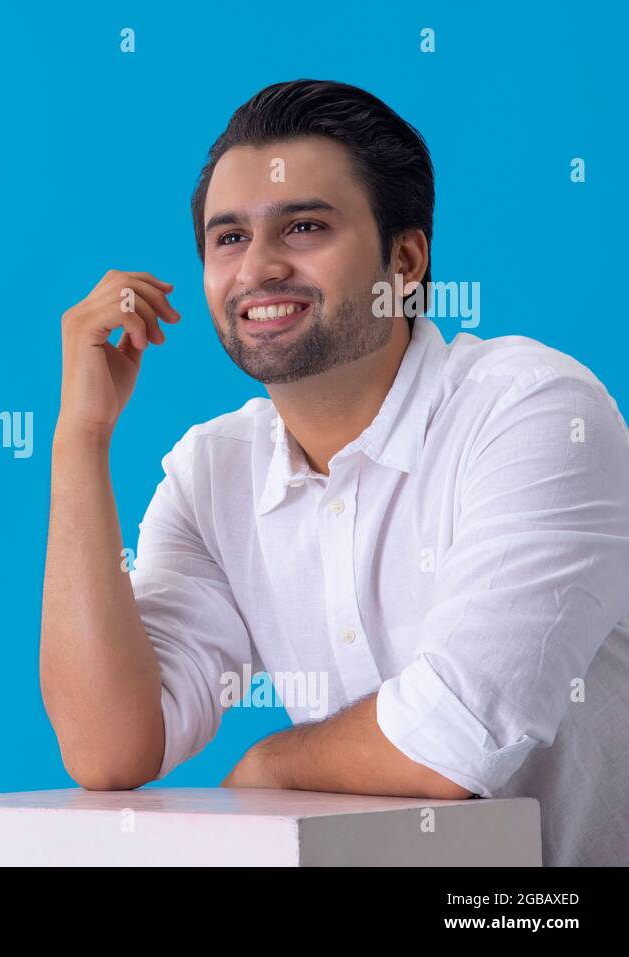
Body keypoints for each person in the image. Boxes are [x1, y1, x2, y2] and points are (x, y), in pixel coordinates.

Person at [39, 79, 629, 867]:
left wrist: (269, 764)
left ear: (406, 258)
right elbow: (111, 748)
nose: (259, 269)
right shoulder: (213, 471)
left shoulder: (533, 409)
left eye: (305, 225)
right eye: (228, 238)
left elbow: (454, 735)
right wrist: (80, 437)